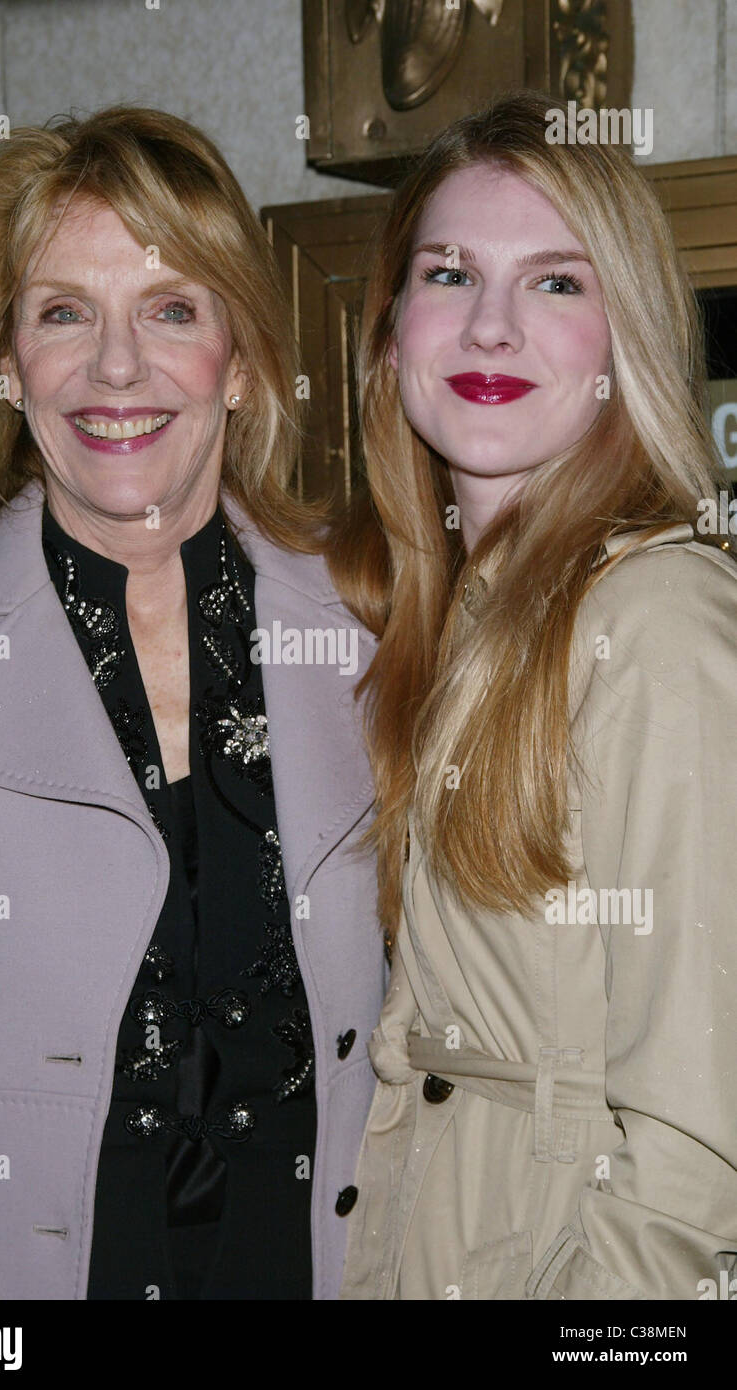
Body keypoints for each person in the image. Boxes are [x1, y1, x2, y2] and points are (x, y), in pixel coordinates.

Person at [0, 105, 384, 1301]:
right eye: (63, 313)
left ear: (242, 360)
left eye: (169, 309)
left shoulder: (372, 637)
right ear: (5, 363)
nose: (115, 367)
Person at [334, 90, 737, 1300]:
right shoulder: (440, 613)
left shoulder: (656, 622)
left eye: (557, 283)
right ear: (392, 326)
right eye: (449, 274)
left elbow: (697, 1151)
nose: (491, 328)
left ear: (628, 340)